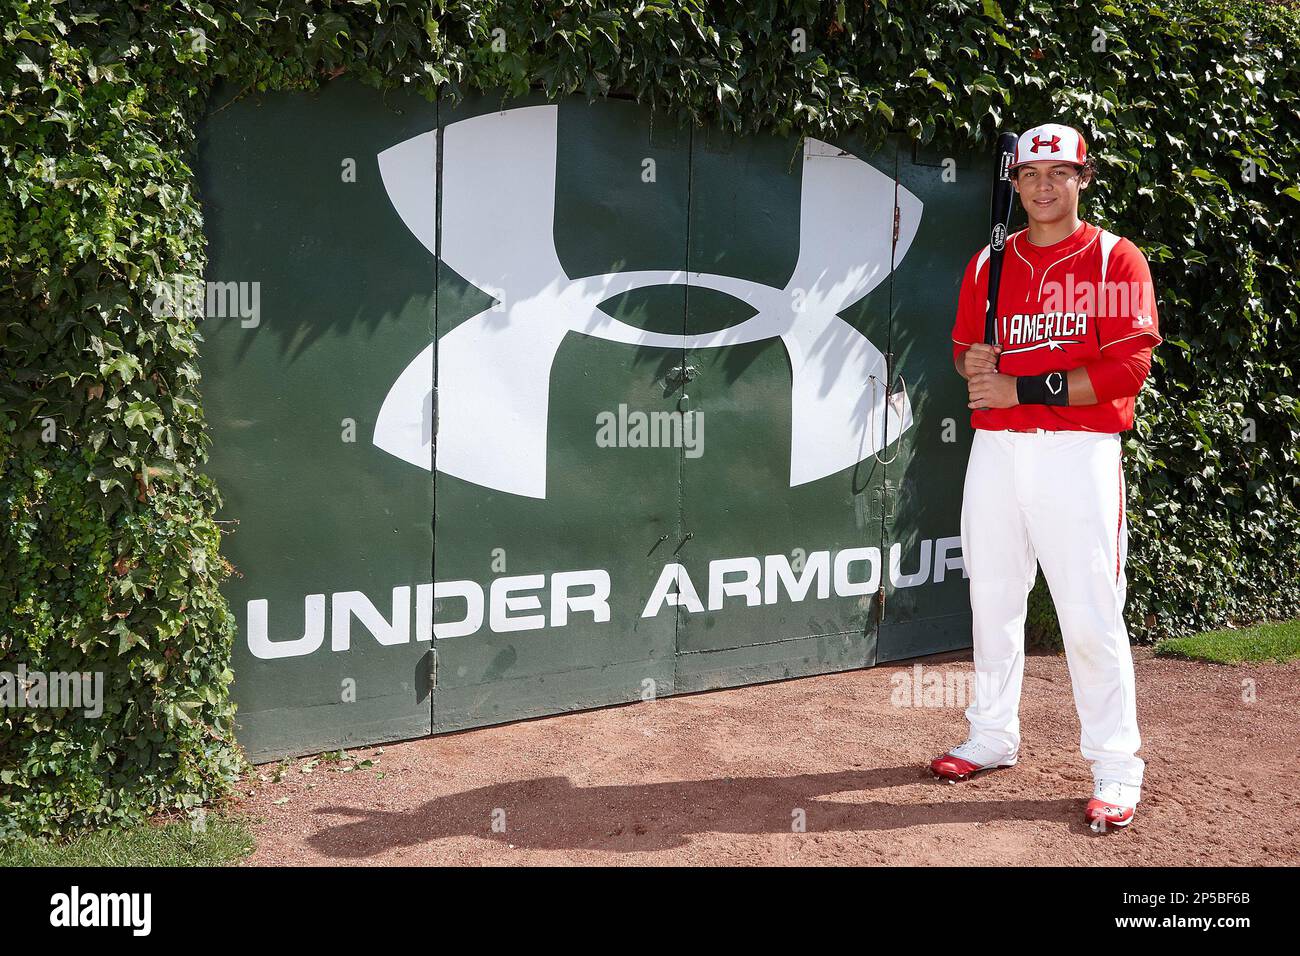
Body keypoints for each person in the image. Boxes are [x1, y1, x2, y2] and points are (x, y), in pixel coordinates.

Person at [932, 123, 1162, 832]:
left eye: (1058, 173)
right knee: (993, 599)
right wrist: (972, 366)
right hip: (997, 455)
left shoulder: (1115, 260)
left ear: (1081, 179)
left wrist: (1023, 390)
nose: (1042, 186)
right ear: (1016, 183)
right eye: (1030, 175)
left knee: (1090, 612)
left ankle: (1116, 766)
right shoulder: (988, 264)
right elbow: (965, 352)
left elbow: (1129, 368)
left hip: (1077, 454)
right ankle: (994, 734)